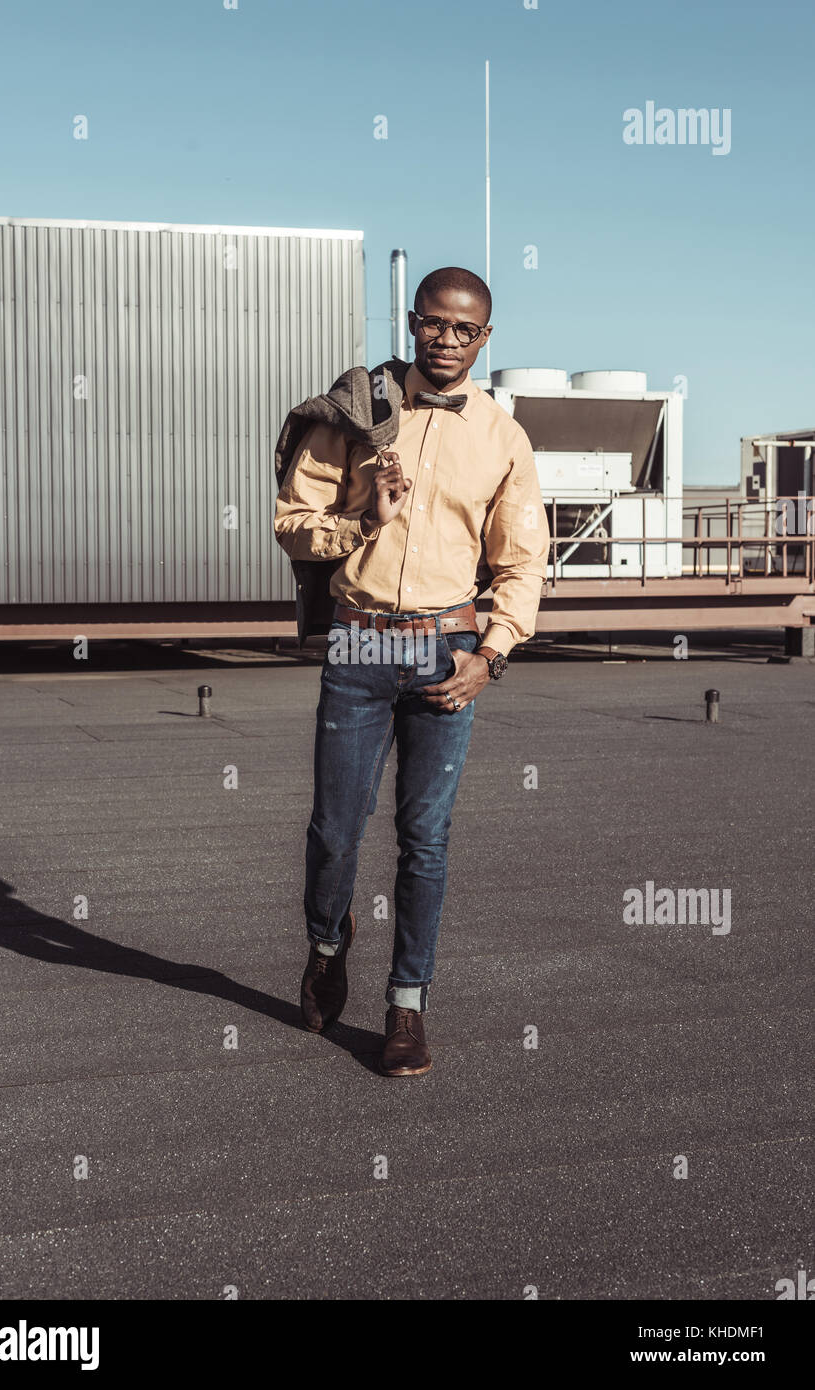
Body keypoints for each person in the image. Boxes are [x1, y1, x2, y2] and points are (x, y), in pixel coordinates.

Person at [274, 267, 550, 1076]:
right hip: (359, 644)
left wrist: (489, 656)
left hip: (446, 649)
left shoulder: (501, 436)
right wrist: (364, 517)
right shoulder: (353, 411)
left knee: (425, 841)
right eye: (433, 323)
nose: (446, 340)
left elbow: (523, 562)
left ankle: (406, 1007)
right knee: (334, 832)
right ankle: (327, 945)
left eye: (464, 330)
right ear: (411, 320)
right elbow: (292, 525)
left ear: (485, 337)